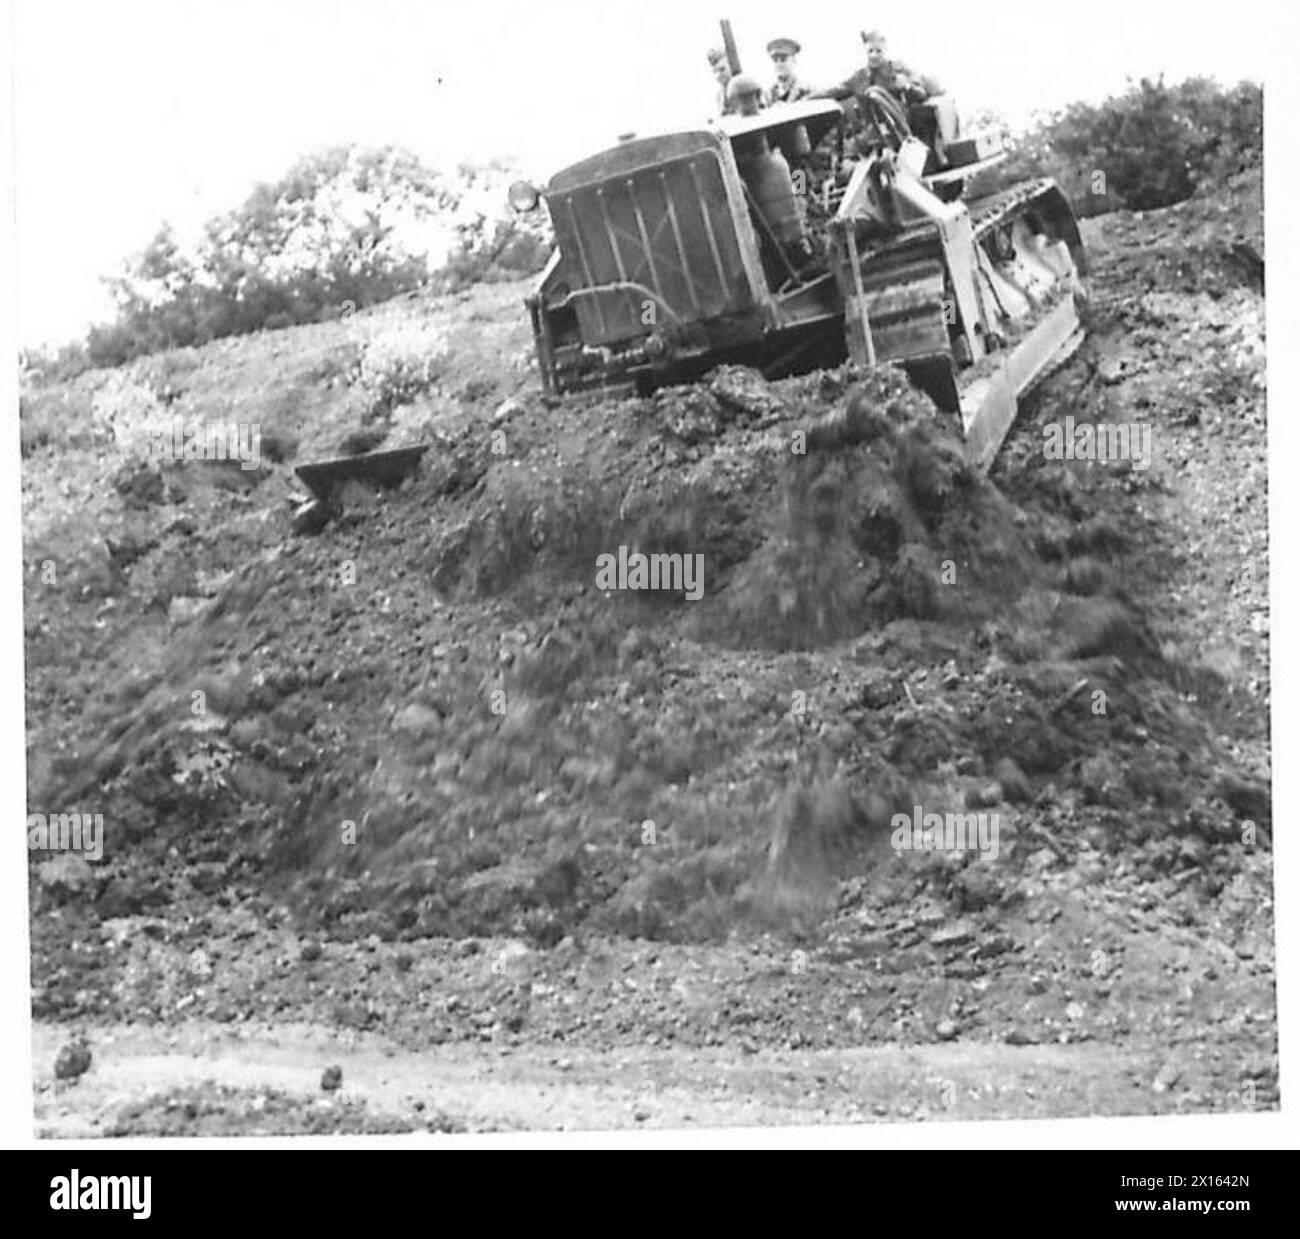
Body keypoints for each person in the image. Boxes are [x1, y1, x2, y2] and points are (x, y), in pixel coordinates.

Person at [822, 28, 942, 109]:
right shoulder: (859, 76)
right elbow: (833, 91)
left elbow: (921, 94)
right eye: (870, 51)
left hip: (904, 127)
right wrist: (806, 99)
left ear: (885, 51)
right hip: (874, 132)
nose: (874, 55)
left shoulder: (898, 67)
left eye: (878, 51)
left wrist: (906, 87)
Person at [764, 37, 812, 105]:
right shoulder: (768, 94)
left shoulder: (806, 88)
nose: (779, 64)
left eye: (783, 59)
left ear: (794, 61)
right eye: (775, 60)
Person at [707, 47, 734, 116]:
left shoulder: (744, 85)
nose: (718, 75)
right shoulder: (719, 95)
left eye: (722, 69)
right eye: (715, 72)